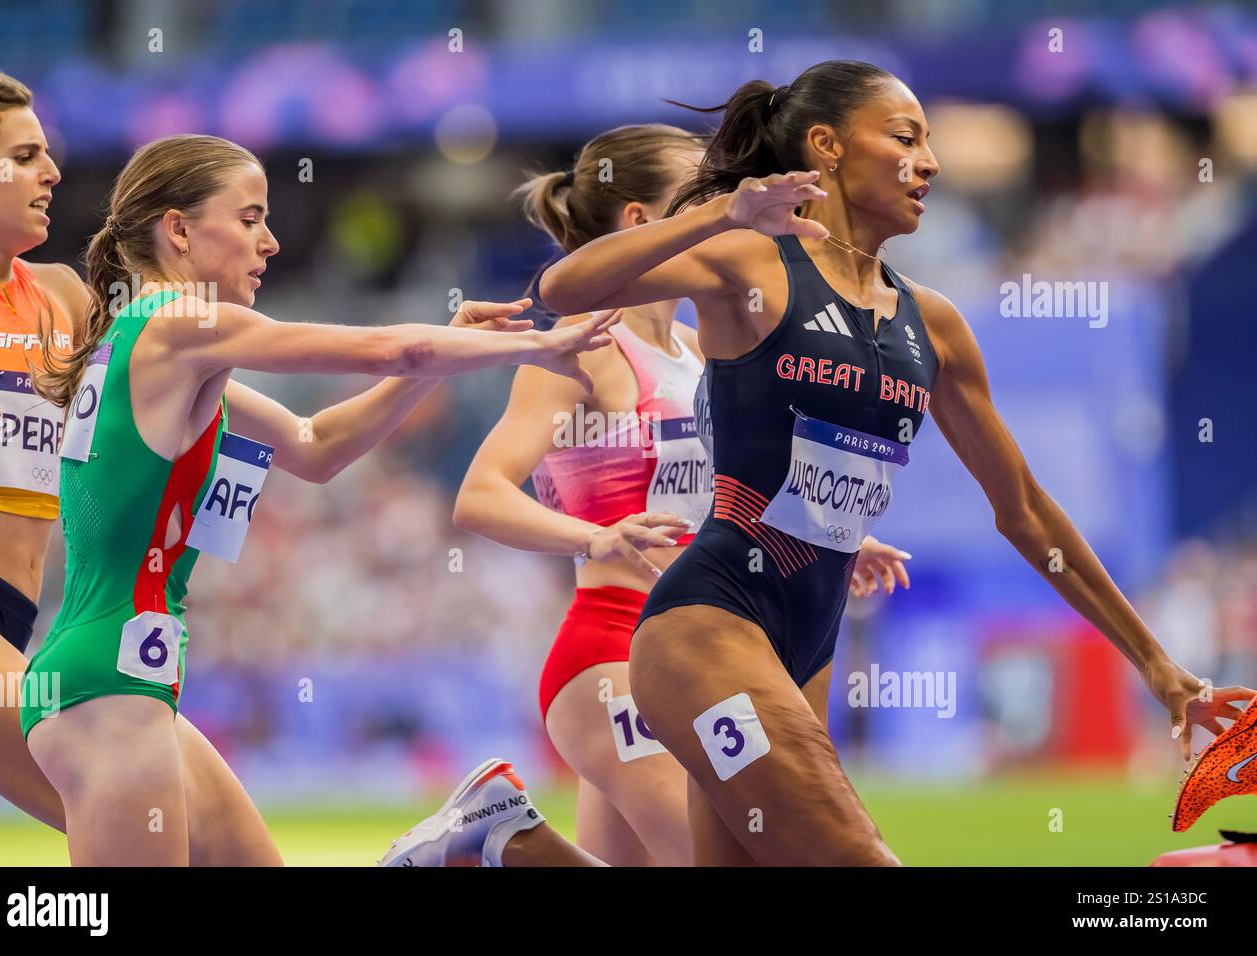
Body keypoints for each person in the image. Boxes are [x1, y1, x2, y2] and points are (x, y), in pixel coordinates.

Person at [527, 59, 1254, 865]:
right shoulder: (752, 264)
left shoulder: (933, 325)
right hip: (707, 627)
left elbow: (1026, 509)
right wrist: (720, 215)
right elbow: (566, 289)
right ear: (827, 147)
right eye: (907, 137)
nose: (931, 162)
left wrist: (1157, 664)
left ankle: (506, 843)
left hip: (809, 644)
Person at [21, 131, 620, 866]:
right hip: (106, 687)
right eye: (248, 219)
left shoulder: (157, 347)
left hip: (124, 677)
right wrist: (538, 347)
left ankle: (450, 843)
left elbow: (315, 446)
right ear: (177, 230)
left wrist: (439, 356)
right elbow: (388, 349)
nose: (269, 242)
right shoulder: (178, 323)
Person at [448, 124, 910, 866]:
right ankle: (504, 838)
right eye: (705, 197)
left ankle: (495, 838)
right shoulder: (583, 345)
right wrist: (592, 537)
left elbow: (725, 499)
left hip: (697, 648)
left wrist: (833, 537)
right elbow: (478, 495)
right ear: (640, 222)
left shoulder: (702, 349)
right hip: (610, 653)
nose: (728, 210)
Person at [0, 64, 88, 829]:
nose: (53, 172)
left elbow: (179, 366)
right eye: (27, 154)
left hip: (14, 612)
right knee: (113, 800)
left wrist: (410, 360)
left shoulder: (64, 296)